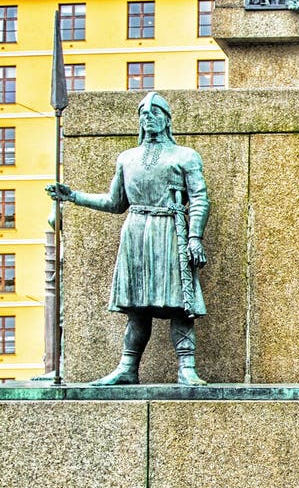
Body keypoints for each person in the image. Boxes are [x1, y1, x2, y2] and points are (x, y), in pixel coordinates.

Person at [46, 92, 209, 386]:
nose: (149, 118)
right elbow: (114, 202)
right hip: (135, 232)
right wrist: (74, 197)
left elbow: (199, 199)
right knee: (137, 307)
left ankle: (187, 367)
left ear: (167, 119)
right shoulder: (127, 158)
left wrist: (195, 237)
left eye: (156, 113)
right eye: (144, 114)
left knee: (178, 303)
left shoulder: (186, 157)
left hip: (170, 231)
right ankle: (127, 367)